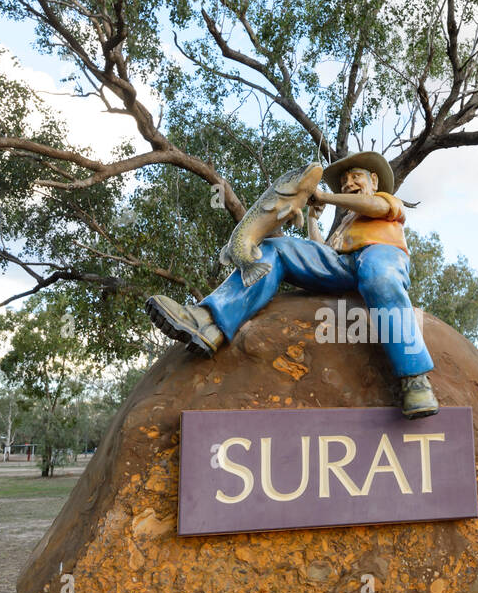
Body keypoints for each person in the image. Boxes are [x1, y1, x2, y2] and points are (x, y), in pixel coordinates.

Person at [145, 151, 439, 419]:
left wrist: (325, 197)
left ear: (373, 180)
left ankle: (415, 379)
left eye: (356, 177)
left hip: (380, 256)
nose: (349, 183)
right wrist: (313, 219)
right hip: (345, 266)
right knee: (278, 248)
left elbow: (373, 206)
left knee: (379, 277)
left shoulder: (386, 203)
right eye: (345, 180)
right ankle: (210, 320)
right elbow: (322, 252)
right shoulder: (347, 224)